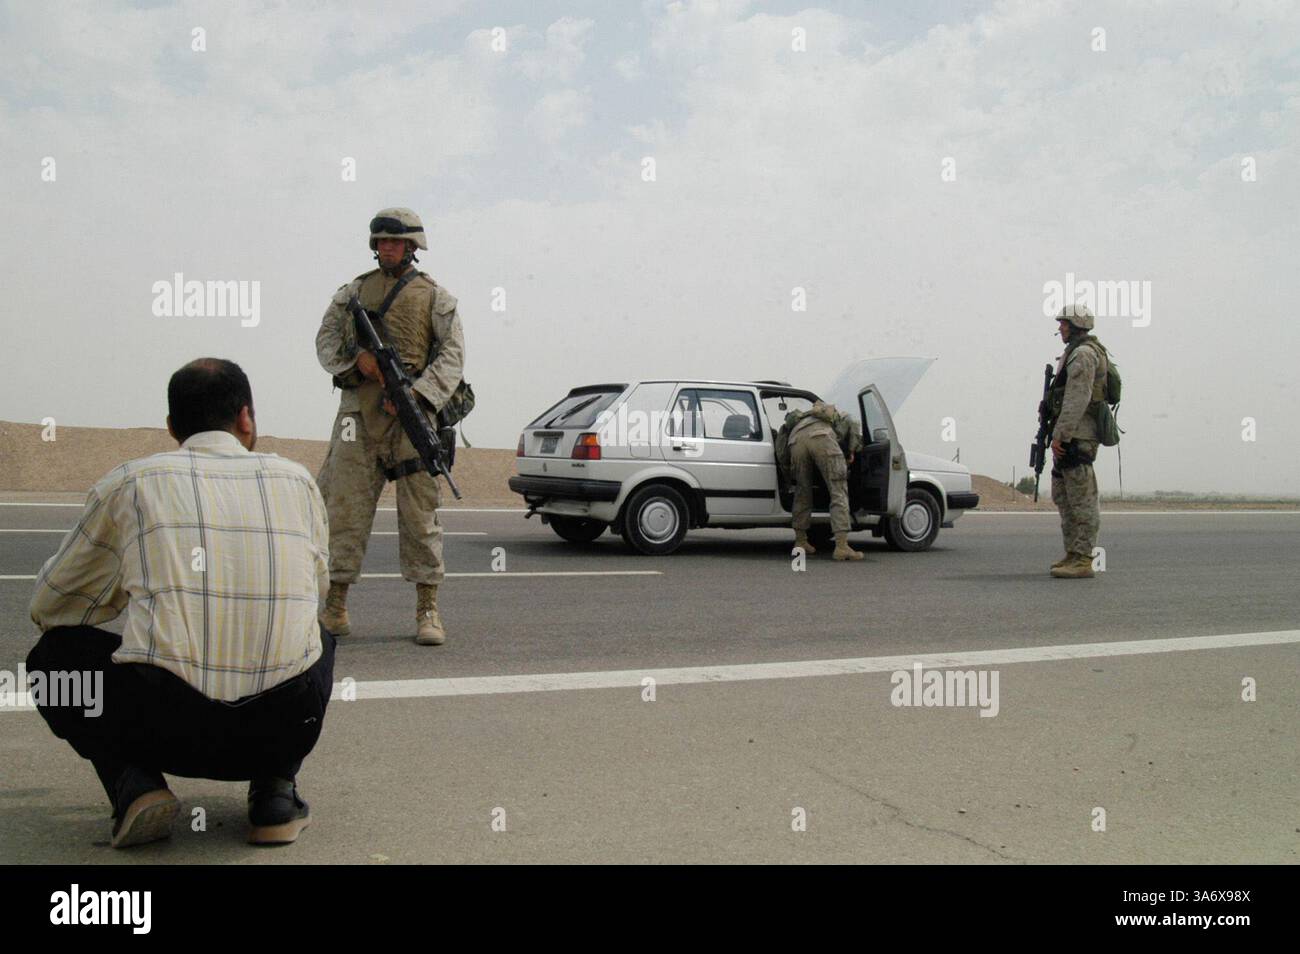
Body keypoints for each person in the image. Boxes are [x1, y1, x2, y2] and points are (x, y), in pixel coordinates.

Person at [26, 358, 334, 848]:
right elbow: (316, 594)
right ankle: (275, 794)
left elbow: (51, 605)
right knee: (320, 635)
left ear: (172, 427)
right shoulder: (297, 481)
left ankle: (136, 786)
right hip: (283, 726)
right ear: (246, 418)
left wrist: (131, 593)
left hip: (165, 729)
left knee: (51, 660)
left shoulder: (130, 483)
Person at [315, 208, 465, 645]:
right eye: (380, 241)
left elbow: (452, 356)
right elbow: (326, 341)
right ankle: (336, 605)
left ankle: (428, 610)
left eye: (394, 242)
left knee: (420, 516)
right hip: (357, 417)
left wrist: (417, 397)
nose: (386, 248)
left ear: (412, 246)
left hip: (412, 418)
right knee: (343, 512)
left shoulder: (436, 297)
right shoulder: (352, 294)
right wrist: (354, 361)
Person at [1047, 304, 1109, 579]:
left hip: (1078, 436)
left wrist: (1061, 436)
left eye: (1064, 323)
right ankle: (1073, 552)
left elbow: (1078, 398)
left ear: (1077, 324)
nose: (1060, 327)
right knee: (1064, 496)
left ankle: (1084, 558)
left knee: (1082, 499)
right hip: (1070, 434)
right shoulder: (1073, 353)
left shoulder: (1083, 355)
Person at [781, 401, 865, 561]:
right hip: (822, 438)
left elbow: (782, 442)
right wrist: (852, 451)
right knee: (838, 490)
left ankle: (800, 542)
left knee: (802, 492)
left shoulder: (803, 417)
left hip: (796, 441)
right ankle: (842, 547)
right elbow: (854, 423)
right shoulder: (841, 415)